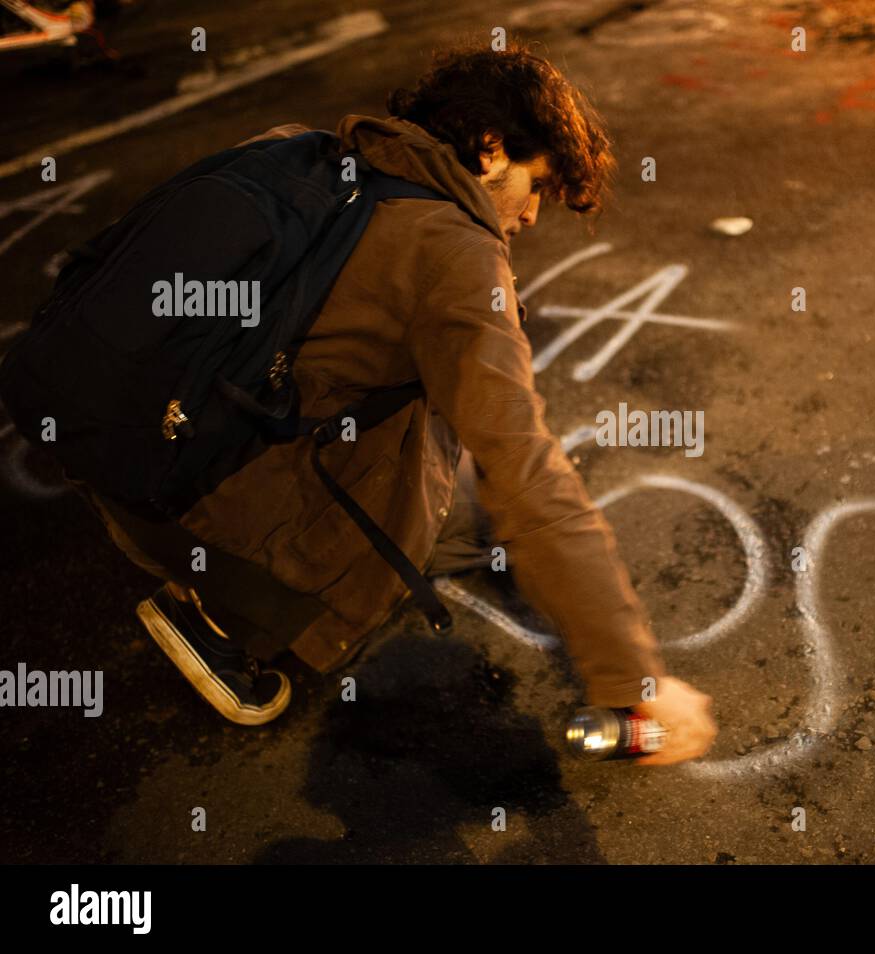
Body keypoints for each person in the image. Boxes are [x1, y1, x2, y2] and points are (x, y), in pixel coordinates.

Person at [82, 41, 718, 766]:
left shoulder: (298, 151)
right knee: (455, 501)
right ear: (488, 150)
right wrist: (634, 676)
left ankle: (221, 565)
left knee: (459, 503)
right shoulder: (452, 254)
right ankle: (222, 620)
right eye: (536, 184)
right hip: (205, 507)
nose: (534, 215)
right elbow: (528, 473)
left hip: (124, 454)